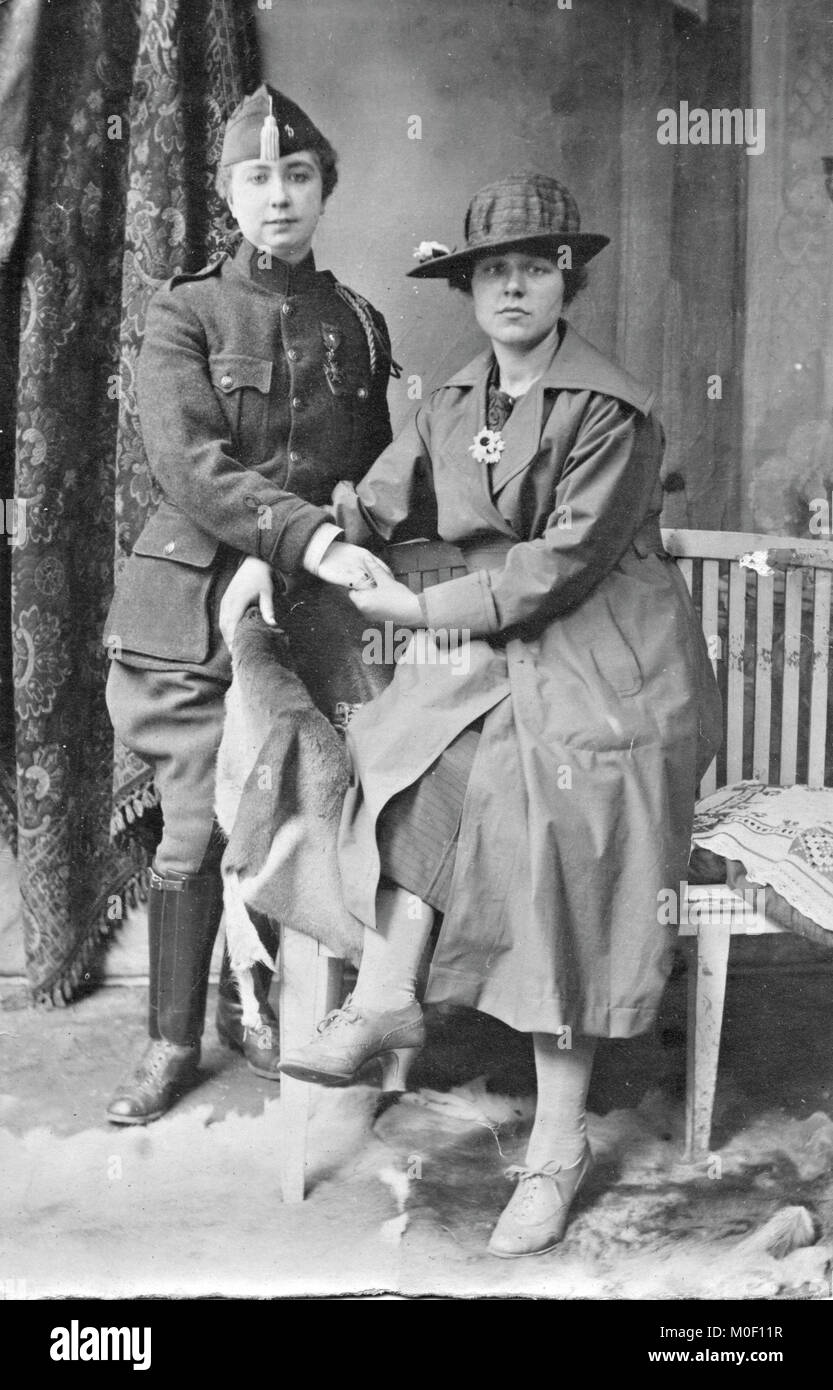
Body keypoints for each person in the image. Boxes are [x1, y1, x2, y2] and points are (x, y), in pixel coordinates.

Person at [276, 173, 723, 1257]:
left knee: (560, 822)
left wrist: (422, 604)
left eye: (532, 265)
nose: (512, 285)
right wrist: (310, 542)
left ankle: (556, 1146)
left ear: (564, 278)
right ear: (468, 290)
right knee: (411, 751)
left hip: (608, 657)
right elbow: (379, 499)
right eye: (491, 270)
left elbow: (556, 569)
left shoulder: (607, 406)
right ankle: (386, 992)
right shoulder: (453, 399)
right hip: (496, 650)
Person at [102, 85, 394, 1124]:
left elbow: (366, 469)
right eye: (257, 175)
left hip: (308, 612)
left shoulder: (358, 322)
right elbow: (190, 464)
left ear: (324, 189)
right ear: (228, 191)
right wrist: (285, 539)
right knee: (190, 831)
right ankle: (172, 1040)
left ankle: (272, 1004)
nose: (278, 195)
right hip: (191, 606)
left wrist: (346, 526)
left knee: (308, 818)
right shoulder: (181, 311)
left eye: (298, 174)